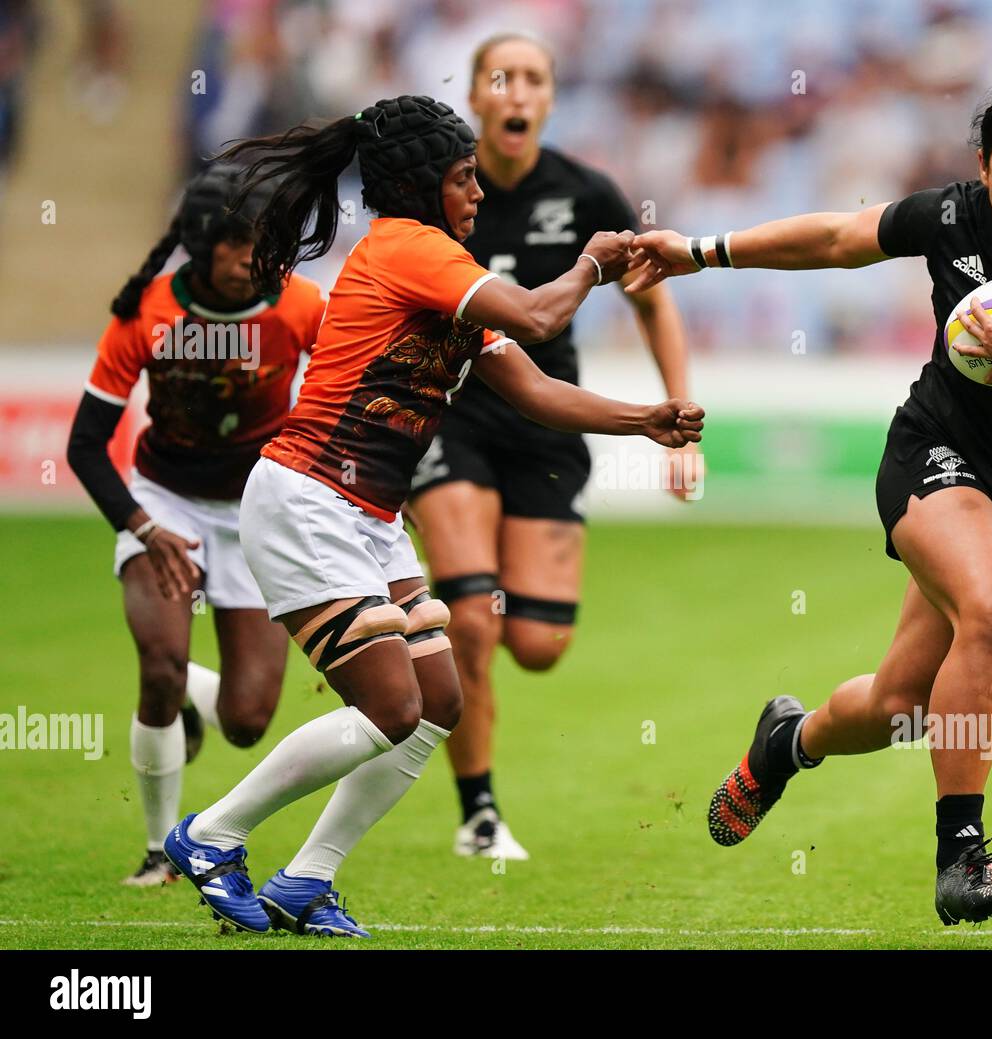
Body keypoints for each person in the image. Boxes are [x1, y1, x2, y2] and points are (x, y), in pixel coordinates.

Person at [627, 80, 992, 925]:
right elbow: (837, 236)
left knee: (902, 708)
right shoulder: (950, 217)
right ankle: (963, 856)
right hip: (934, 452)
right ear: (984, 167)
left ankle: (789, 741)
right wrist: (701, 250)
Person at [160, 95, 704, 937]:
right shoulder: (408, 249)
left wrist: (646, 417)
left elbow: (532, 387)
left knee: (438, 697)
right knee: (391, 706)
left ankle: (307, 879)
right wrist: (591, 264)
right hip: (309, 496)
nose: (478, 192)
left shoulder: (441, 266)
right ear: (423, 185)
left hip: (366, 514)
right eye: (462, 178)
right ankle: (211, 833)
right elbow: (536, 314)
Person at [405, 32, 700, 862]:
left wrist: (675, 412)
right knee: (472, 617)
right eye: (502, 77)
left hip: (547, 419)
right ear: (476, 95)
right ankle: (480, 813)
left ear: (550, 100)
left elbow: (652, 299)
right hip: (453, 410)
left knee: (535, 642)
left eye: (534, 78)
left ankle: (439, 622)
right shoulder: (439, 195)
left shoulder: (586, 193)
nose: (518, 92)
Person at [66, 164, 326, 886]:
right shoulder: (145, 314)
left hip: (254, 510)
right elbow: (85, 446)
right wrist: (143, 525)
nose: (256, 259)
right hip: (163, 504)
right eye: (242, 246)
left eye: (265, 244)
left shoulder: (301, 305)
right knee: (158, 667)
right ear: (203, 247)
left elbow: (345, 394)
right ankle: (158, 852)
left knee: (247, 721)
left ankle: (191, 689)